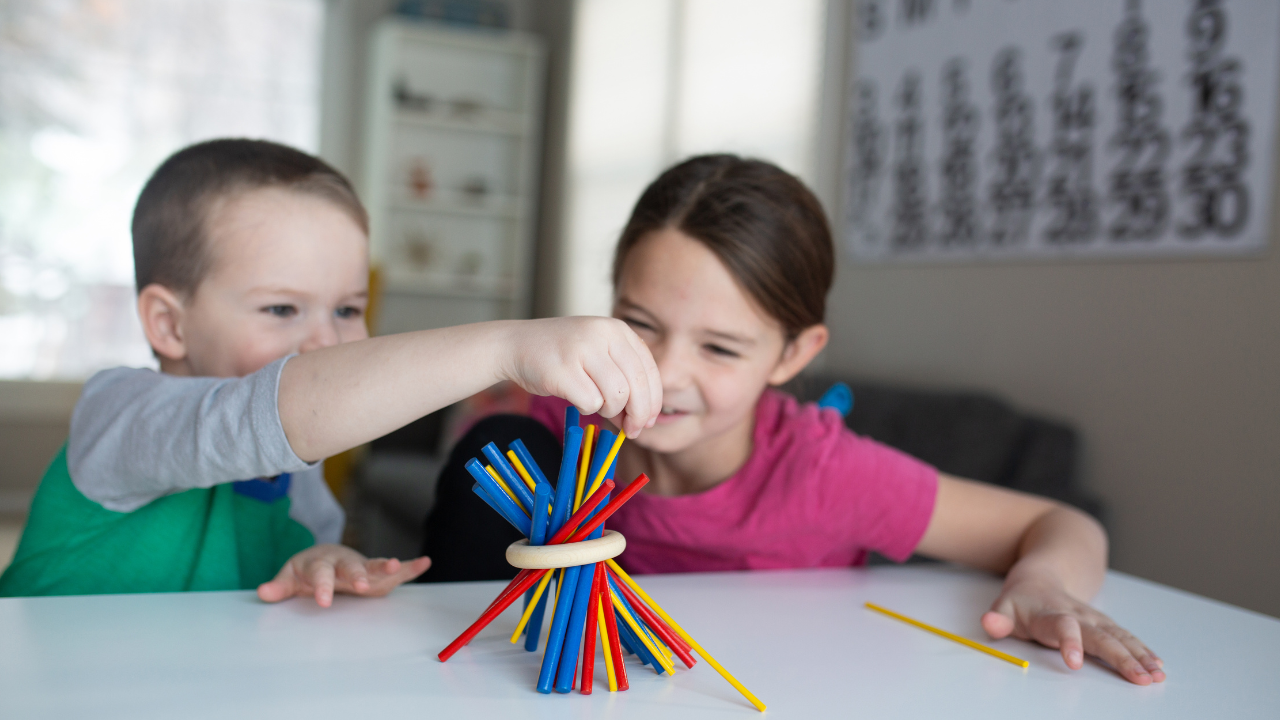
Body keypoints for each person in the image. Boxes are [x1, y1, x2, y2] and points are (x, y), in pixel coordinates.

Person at [422, 154, 1165, 686]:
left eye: (720, 347)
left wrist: (1041, 581)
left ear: (793, 353)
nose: (663, 373)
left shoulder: (823, 471)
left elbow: (1063, 525)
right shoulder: (569, 424)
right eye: (638, 323)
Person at [0, 139, 660, 606]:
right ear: (169, 326)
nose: (328, 340)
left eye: (348, 309)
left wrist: (321, 564)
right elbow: (268, 414)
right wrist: (505, 347)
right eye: (282, 308)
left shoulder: (299, 475)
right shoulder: (116, 414)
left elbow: (283, 570)